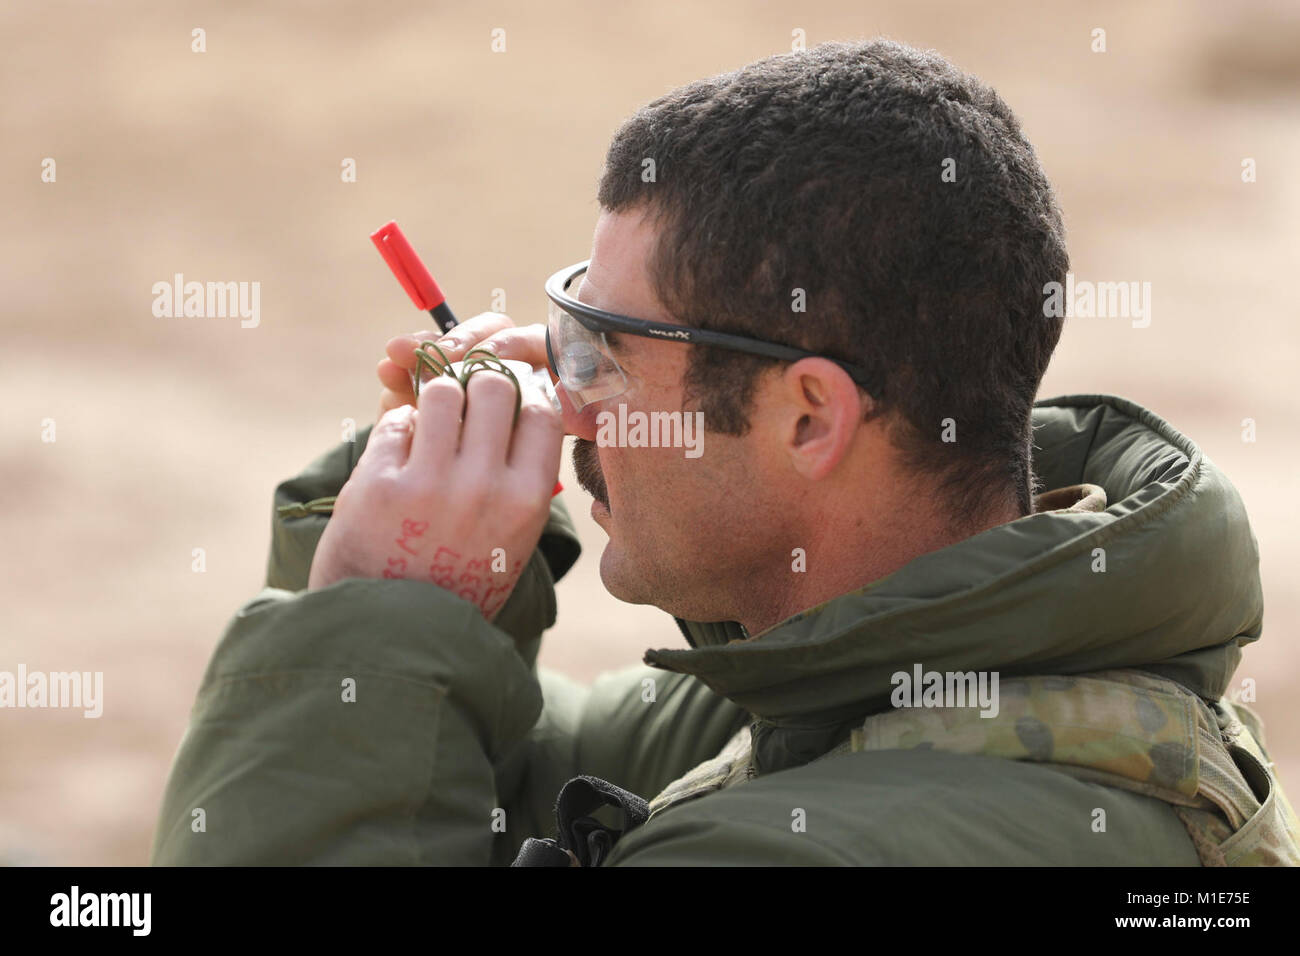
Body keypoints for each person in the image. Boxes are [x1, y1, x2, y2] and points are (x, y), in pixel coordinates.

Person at [151, 40, 1298, 866]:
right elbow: (514, 766)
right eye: (567, 332)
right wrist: (415, 578)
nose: (571, 403)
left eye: (607, 348)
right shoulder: (987, 656)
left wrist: (377, 607)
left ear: (809, 415)